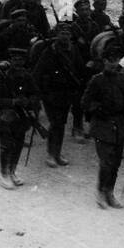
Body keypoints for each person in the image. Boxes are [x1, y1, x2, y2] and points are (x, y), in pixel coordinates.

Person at [81, 55, 124, 209]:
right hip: (102, 125)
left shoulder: (123, 80)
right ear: (104, 61)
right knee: (106, 162)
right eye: (109, 61)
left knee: (116, 163)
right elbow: (85, 102)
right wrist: (98, 109)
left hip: (119, 125)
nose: (112, 64)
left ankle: (109, 192)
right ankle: (100, 191)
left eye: (115, 61)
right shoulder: (96, 80)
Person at [0, 48, 42, 189]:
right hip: (4, 116)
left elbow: (36, 94)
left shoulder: (27, 77)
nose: (18, 62)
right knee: (6, 145)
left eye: (21, 60)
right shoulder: (1, 77)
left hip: (21, 117)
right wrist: (12, 102)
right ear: (11, 61)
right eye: (15, 59)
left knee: (18, 144)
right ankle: (4, 174)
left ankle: (12, 171)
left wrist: (28, 101)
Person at [33, 22, 84, 167]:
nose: (65, 36)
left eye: (68, 34)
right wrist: (38, 94)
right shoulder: (49, 51)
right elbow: (38, 73)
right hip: (50, 93)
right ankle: (51, 153)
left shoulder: (73, 50)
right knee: (55, 123)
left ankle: (57, 152)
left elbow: (79, 68)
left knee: (61, 124)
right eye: (62, 33)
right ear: (57, 35)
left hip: (66, 92)